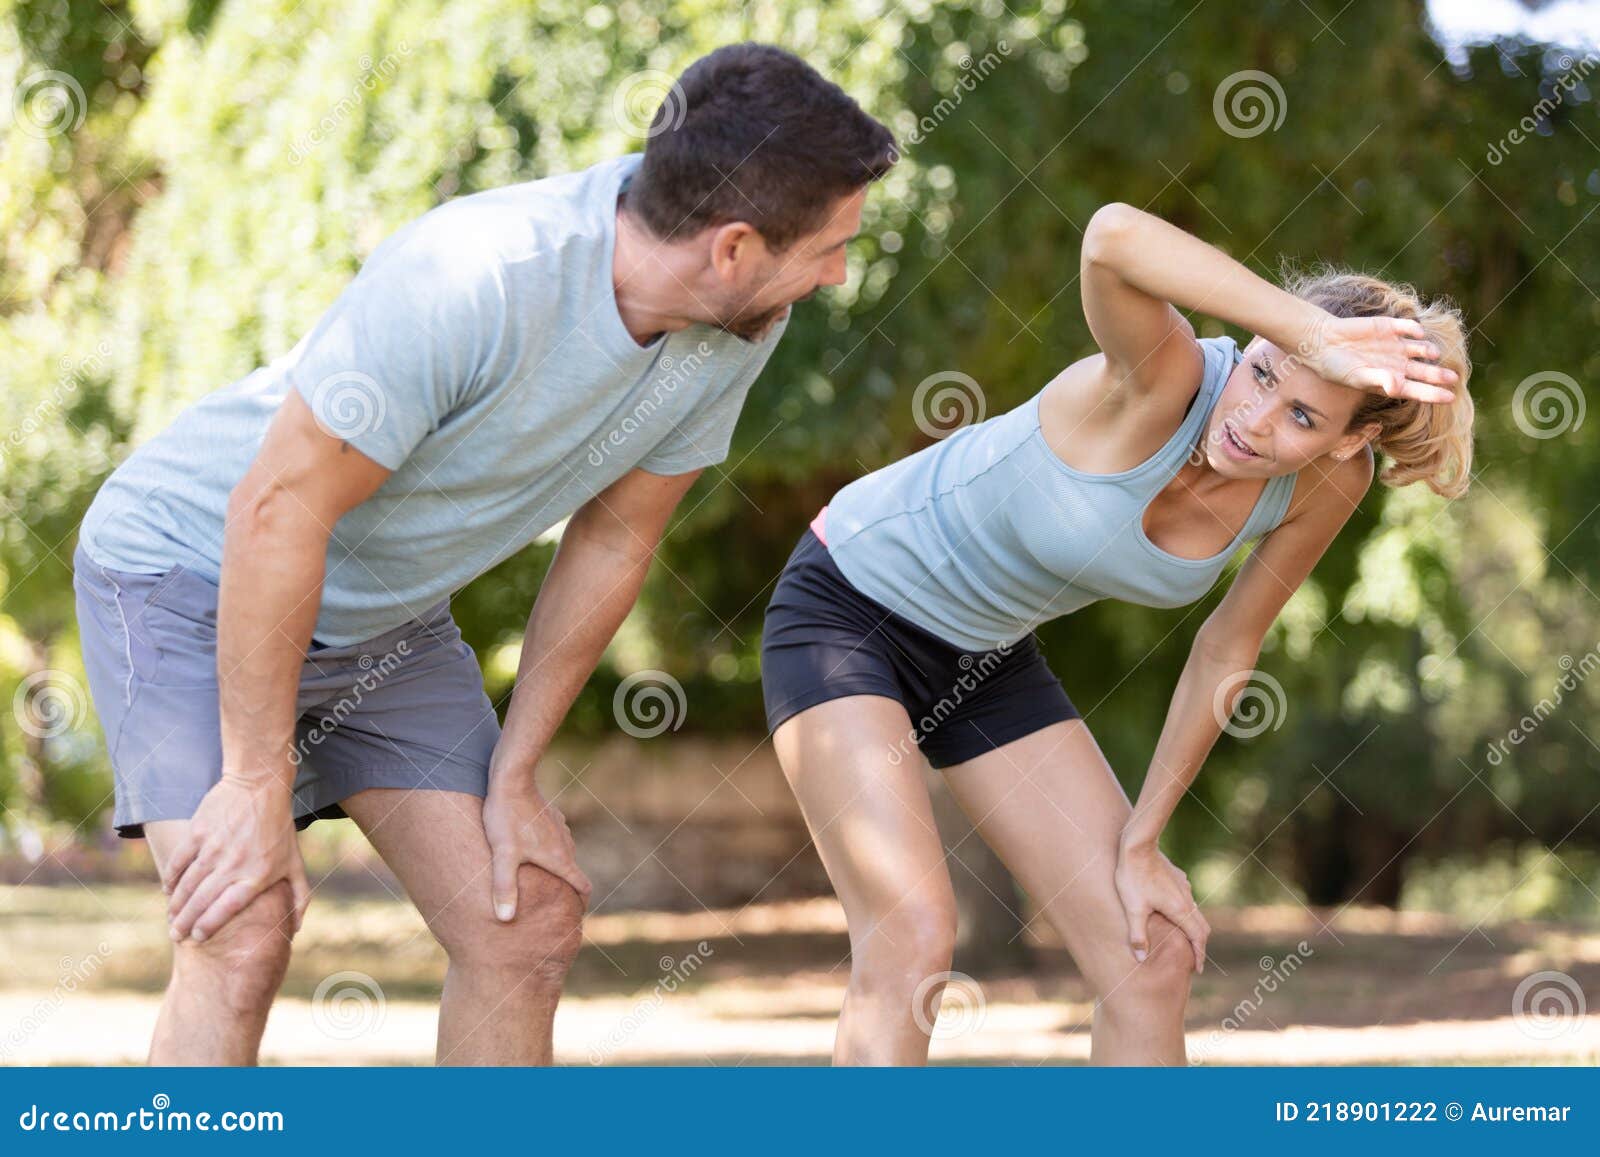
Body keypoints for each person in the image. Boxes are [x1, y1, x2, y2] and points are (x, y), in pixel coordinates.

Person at [72, 42, 896, 1065]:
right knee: (241, 921)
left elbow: (615, 535)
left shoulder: (733, 326)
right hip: (191, 573)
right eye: (829, 247)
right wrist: (251, 782)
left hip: (382, 618)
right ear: (732, 247)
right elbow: (276, 512)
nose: (836, 273)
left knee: (523, 917)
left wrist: (517, 770)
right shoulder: (473, 276)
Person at [760, 201, 1475, 1065]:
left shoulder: (1329, 484)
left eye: (1302, 417)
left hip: (984, 656)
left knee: (1151, 955)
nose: (1255, 419)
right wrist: (1309, 335)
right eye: (1262, 373)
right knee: (911, 935)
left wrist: (1144, 839)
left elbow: (1227, 647)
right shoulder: (1164, 376)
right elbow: (1110, 236)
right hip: (848, 604)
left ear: (1349, 439)